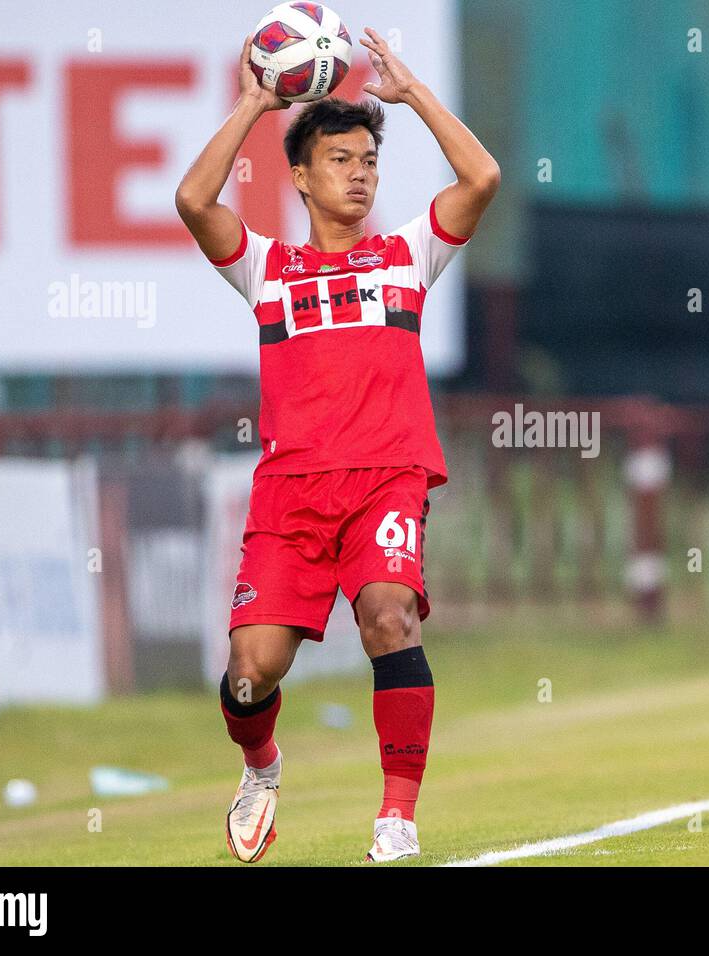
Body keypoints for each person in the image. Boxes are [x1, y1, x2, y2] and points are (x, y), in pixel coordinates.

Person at [175, 27, 499, 862]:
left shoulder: (406, 257)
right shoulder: (266, 269)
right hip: (290, 496)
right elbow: (192, 202)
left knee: (390, 616)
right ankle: (262, 765)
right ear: (302, 176)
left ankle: (396, 818)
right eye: (342, 160)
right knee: (250, 674)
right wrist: (254, 101)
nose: (360, 174)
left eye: (370, 161)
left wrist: (414, 92)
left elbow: (483, 177)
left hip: (386, 481)